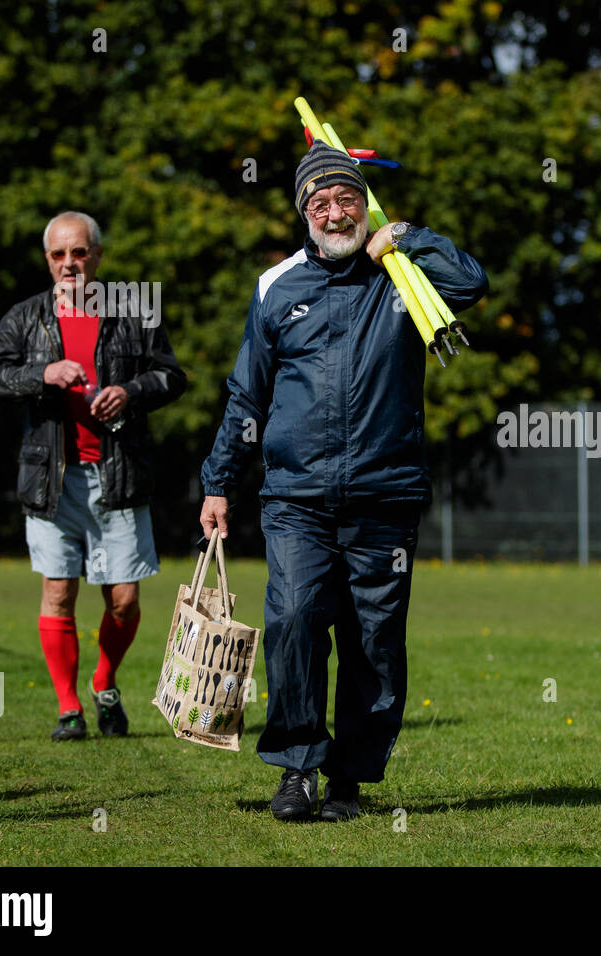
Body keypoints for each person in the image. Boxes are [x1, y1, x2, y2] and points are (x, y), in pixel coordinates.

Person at [198, 142, 487, 822]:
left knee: (372, 642)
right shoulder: (277, 287)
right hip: (295, 498)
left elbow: (471, 285)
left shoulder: (404, 275)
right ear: (304, 213)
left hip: (386, 496)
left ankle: (349, 780)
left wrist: (409, 237)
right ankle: (296, 769)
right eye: (319, 202)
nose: (334, 212)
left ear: (364, 204)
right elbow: (247, 397)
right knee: (294, 620)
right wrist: (218, 483)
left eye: (346, 199)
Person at [0, 211, 186, 741]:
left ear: (97, 255)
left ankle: (103, 681)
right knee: (58, 593)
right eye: (58, 254)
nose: (70, 263)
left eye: (80, 252)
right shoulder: (24, 318)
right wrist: (41, 374)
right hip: (51, 479)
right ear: (47, 260)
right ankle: (68, 709)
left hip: (118, 474)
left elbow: (171, 376)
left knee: (124, 601)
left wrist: (132, 392)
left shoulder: (133, 310)